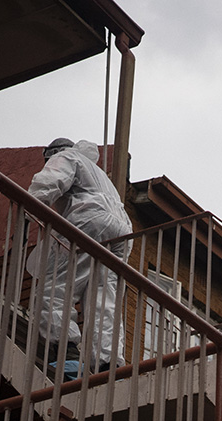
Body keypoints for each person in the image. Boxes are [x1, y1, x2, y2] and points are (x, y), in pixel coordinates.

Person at [26, 138, 132, 379]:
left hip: (88, 220)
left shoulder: (67, 156)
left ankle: (66, 352)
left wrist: (29, 205)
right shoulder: (102, 177)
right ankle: (108, 363)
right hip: (122, 232)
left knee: (56, 287)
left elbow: (49, 182)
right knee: (104, 298)